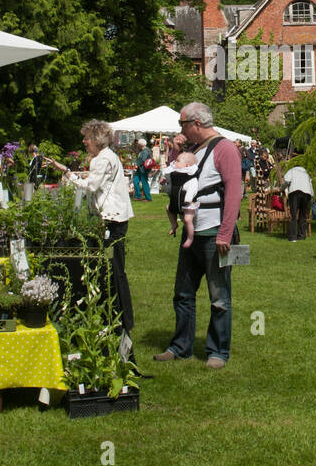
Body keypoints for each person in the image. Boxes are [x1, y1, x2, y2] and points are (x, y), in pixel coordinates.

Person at [154, 102, 242, 370]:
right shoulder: (193, 150)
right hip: (191, 233)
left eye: (182, 125)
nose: (180, 130)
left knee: (219, 296)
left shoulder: (225, 148)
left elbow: (234, 192)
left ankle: (218, 351)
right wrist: (176, 152)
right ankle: (180, 347)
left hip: (214, 232)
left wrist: (225, 233)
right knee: (182, 292)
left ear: (196, 124)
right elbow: (175, 179)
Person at [53, 121, 138, 364]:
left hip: (110, 219)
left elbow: (91, 186)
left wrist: (69, 176)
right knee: (117, 268)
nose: (84, 142)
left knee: (113, 270)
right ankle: (122, 314)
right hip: (117, 216)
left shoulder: (100, 159)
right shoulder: (109, 156)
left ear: (97, 139)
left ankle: (120, 314)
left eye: (87, 138)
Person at [164, 150, 197, 237]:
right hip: (176, 204)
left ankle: (190, 237)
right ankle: (174, 224)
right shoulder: (175, 175)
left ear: (186, 165)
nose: (175, 162)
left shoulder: (190, 177)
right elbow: (169, 188)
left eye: (178, 161)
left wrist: (188, 199)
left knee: (187, 220)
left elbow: (192, 188)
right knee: (168, 208)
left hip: (187, 204)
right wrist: (164, 183)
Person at [282, 158, 313, 242]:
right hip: (307, 193)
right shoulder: (306, 172)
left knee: (294, 215)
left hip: (295, 193)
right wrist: (311, 196)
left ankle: (293, 237)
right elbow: (310, 184)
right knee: (303, 215)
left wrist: (282, 188)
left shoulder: (291, 171)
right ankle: (302, 235)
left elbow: (286, 181)